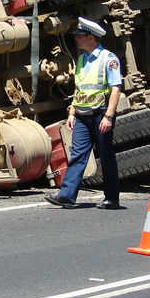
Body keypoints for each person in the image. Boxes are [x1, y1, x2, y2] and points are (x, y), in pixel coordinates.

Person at [45, 17, 122, 210]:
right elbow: (79, 89)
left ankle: (112, 198)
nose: (77, 39)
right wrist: (72, 112)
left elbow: (115, 89)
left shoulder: (108, 59)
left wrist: (109, 117)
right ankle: (67, 196)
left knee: (106, 157)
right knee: (78, 154)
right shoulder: (81, 59)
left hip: (100, 115)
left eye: (80, 36)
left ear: (91, 37)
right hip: (82, 115)